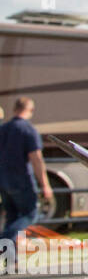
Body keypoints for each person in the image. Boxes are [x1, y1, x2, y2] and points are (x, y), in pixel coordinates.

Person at [0, 97, 53, 257]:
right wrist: (45, 184)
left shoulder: (3, 129)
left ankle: (10, 260)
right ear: (30, 111)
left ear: (15, 109)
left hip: (3, 179)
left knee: (12, 218)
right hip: (21, 179)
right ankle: (3, 241)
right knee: (30, 213)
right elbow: (36, 159)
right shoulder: (28, 130)